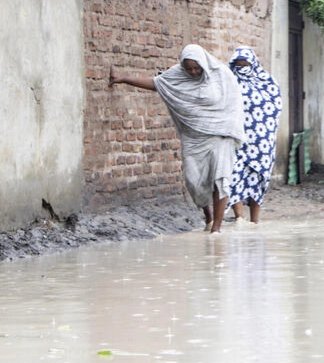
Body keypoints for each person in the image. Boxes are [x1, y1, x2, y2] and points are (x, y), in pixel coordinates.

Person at [109, 44, 245, 233]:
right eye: (188, 68)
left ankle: (216, 228)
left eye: (197, 68)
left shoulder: (222, 75)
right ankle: (208, 215)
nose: (193, 72)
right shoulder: (177, 74)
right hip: (193, 137)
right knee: (193, 180)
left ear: (203, 64)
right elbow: (156, 84)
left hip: (220, 136)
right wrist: (123, 79)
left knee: (220, 179)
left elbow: (234, 106)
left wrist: (229, 129)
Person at [226, 46, 282, 225]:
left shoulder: (267, 81)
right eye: (238, 64)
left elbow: (276, 106)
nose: (242, 68)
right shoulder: (229, 81)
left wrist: (265, 132)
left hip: (262, 142)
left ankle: (255, 220)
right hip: (237, 139)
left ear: (253, 63)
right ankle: (239, 218)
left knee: (259, 178)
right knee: (235, 176)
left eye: (245, 64)